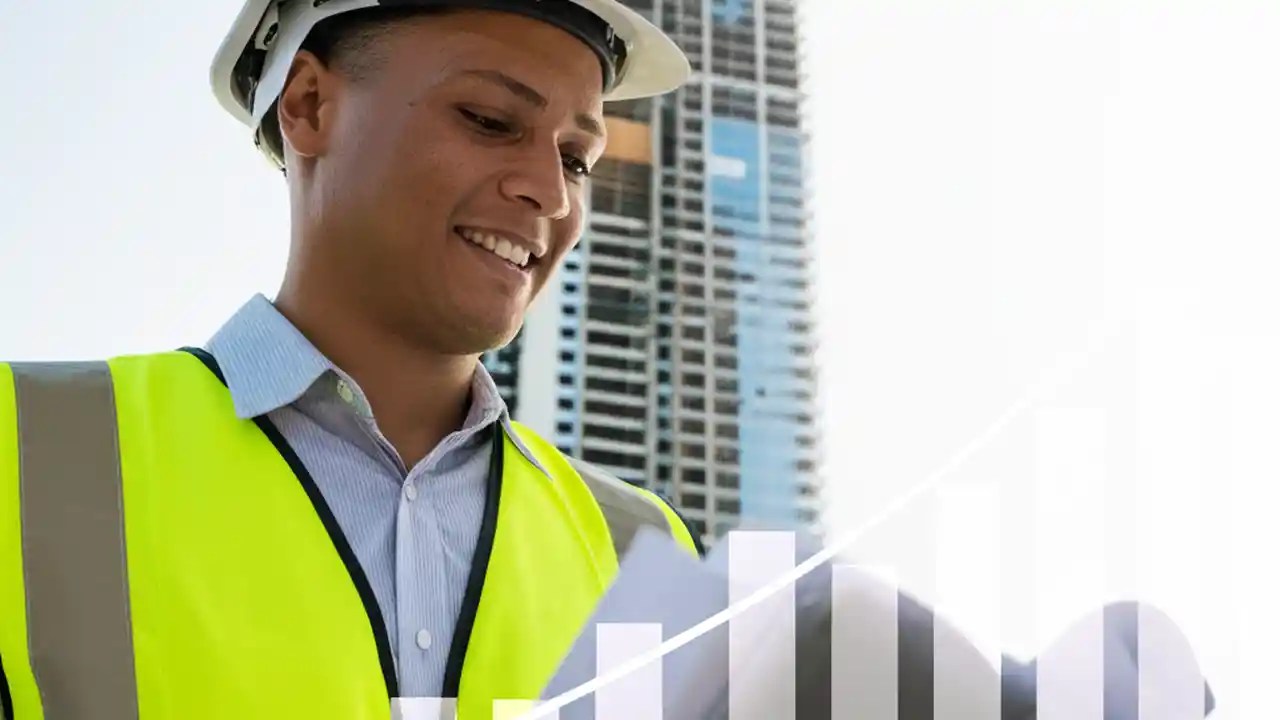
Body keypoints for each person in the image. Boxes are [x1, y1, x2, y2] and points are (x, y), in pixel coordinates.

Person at [0, 1, 702, 718]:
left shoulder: (644, 547)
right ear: (307, 105)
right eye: (490, 120)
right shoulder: (22, 449)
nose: (550, 193)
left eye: (576, 159)